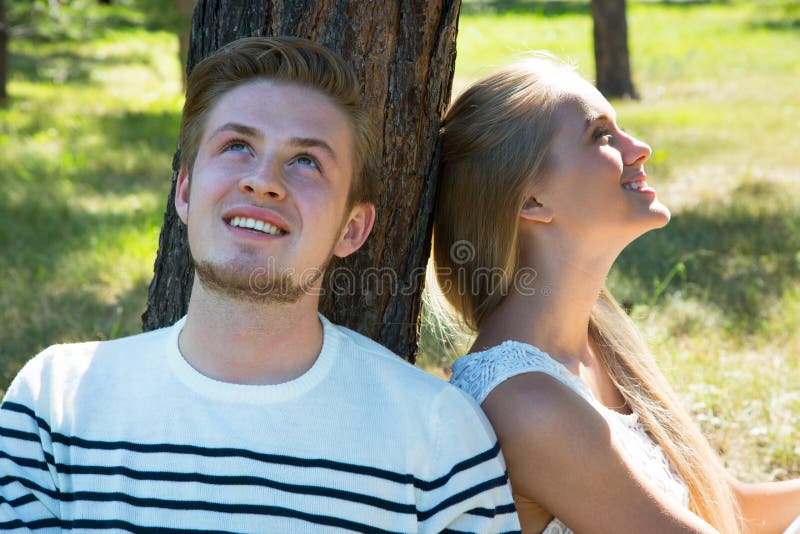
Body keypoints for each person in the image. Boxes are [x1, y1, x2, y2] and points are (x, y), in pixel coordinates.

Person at [0, 36, 520, 533]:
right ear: (184, 190)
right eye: (236, 146)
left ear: (352, 228)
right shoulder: (55, 404)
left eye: (306, 161)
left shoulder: (437, 439)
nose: (263, 180)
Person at [430, 54, 800, 533]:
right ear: (532, 201)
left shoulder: (598, 346)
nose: (639, 147)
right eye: (600, 135)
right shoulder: (524, 401)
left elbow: (729, 507)